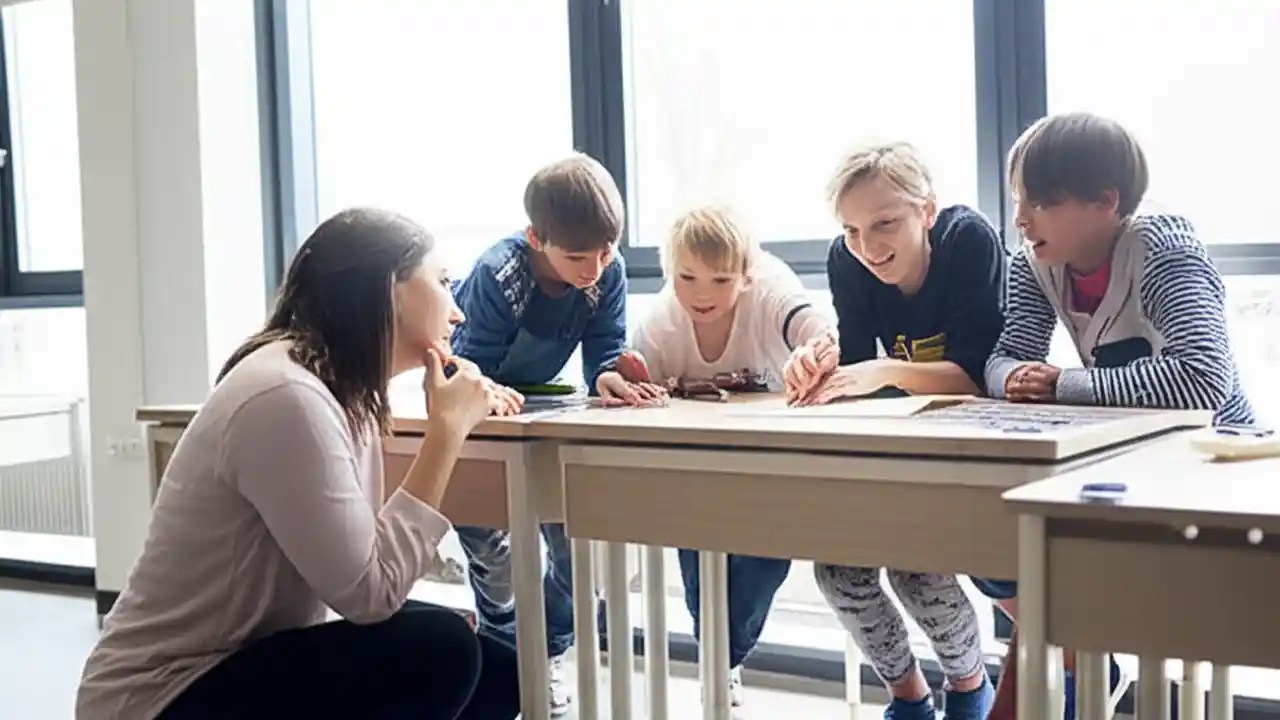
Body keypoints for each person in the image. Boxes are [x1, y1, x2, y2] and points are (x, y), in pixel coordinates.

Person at [77, 208, 524, 720]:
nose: (458, 311)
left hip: (240, 663)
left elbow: (363, 564)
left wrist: (459, 410)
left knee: (498, 672)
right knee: (440, 647)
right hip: (162, 695)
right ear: (390, 289)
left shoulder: (340, 393)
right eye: (443, 282)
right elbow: (369, 592)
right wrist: (446, 432)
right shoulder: (285, 397)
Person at [981, 111, 1256, 719]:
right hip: (1127, 456)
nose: (1021, 220)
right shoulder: (1037, 259)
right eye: (1018, 202)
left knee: (1066, 559)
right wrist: (1011, 378)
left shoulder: (1161, 246)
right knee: (990, 532)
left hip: (1214, 461)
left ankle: (1065, 673)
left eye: (1039, 204)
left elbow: (1206, 380)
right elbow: (1004, 355)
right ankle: (1075, 666)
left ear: (1105, 202)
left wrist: (1064, 385)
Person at [785, 142, 1005, 720]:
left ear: (926, 211)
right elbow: (855, 360)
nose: (867, 247)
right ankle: (908, 699)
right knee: (837, 572)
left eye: (885, 223)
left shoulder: (968, 242)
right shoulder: (847, 259)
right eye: (852, 229)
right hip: (900, 442)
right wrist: (818, 365)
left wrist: (879, 371)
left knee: (918, 566)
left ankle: (968, 689)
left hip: (979, 444)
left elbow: (977, 377)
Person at [449, 153, 664, 715]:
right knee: (491, 554)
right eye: (577, 256)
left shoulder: (605, 274)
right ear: (535, 238)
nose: (594, 267)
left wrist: (613, 376)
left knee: (575, 555)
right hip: (473, 416)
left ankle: (541, 656)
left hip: (540, 412)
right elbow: (465, 367)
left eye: (606, 251)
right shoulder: (499, 275)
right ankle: (498, 657)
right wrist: (482, 391)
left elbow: (604, 350)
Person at [629, 206, 833, 707]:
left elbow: (814, 329)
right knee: (699, 568)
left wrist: (816, 351)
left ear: (747, 275)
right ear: (667, 271)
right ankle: (719, 662)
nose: (702, 293)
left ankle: (722, 657)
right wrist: (619, 383)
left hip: (771, 464)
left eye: (721, 279)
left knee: (762, 565)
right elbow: (629, 380)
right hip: (693, 466)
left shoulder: (769, 288)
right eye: (686, 277)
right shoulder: (661, 322)